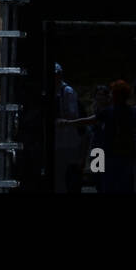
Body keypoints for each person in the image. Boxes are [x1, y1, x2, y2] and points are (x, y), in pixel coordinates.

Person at [52, 63, 83, 193]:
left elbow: (72, 114)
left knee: (68, 173)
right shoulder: (54, 91)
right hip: (57, 141)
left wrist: (61, 120)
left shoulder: (67, 91)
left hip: (67, 140)